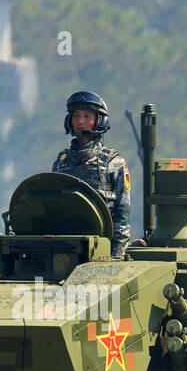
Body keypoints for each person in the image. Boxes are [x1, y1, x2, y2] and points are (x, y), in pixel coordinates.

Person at [51, 91, 131, 258]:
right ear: (69, 121)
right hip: (66, 252)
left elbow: (122, 216)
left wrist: (116, 257)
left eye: (87, 116)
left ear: (100, 121)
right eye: (76, 116)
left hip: (101, 252)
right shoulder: (61, 163)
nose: (80, 121)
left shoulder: (113, 163)